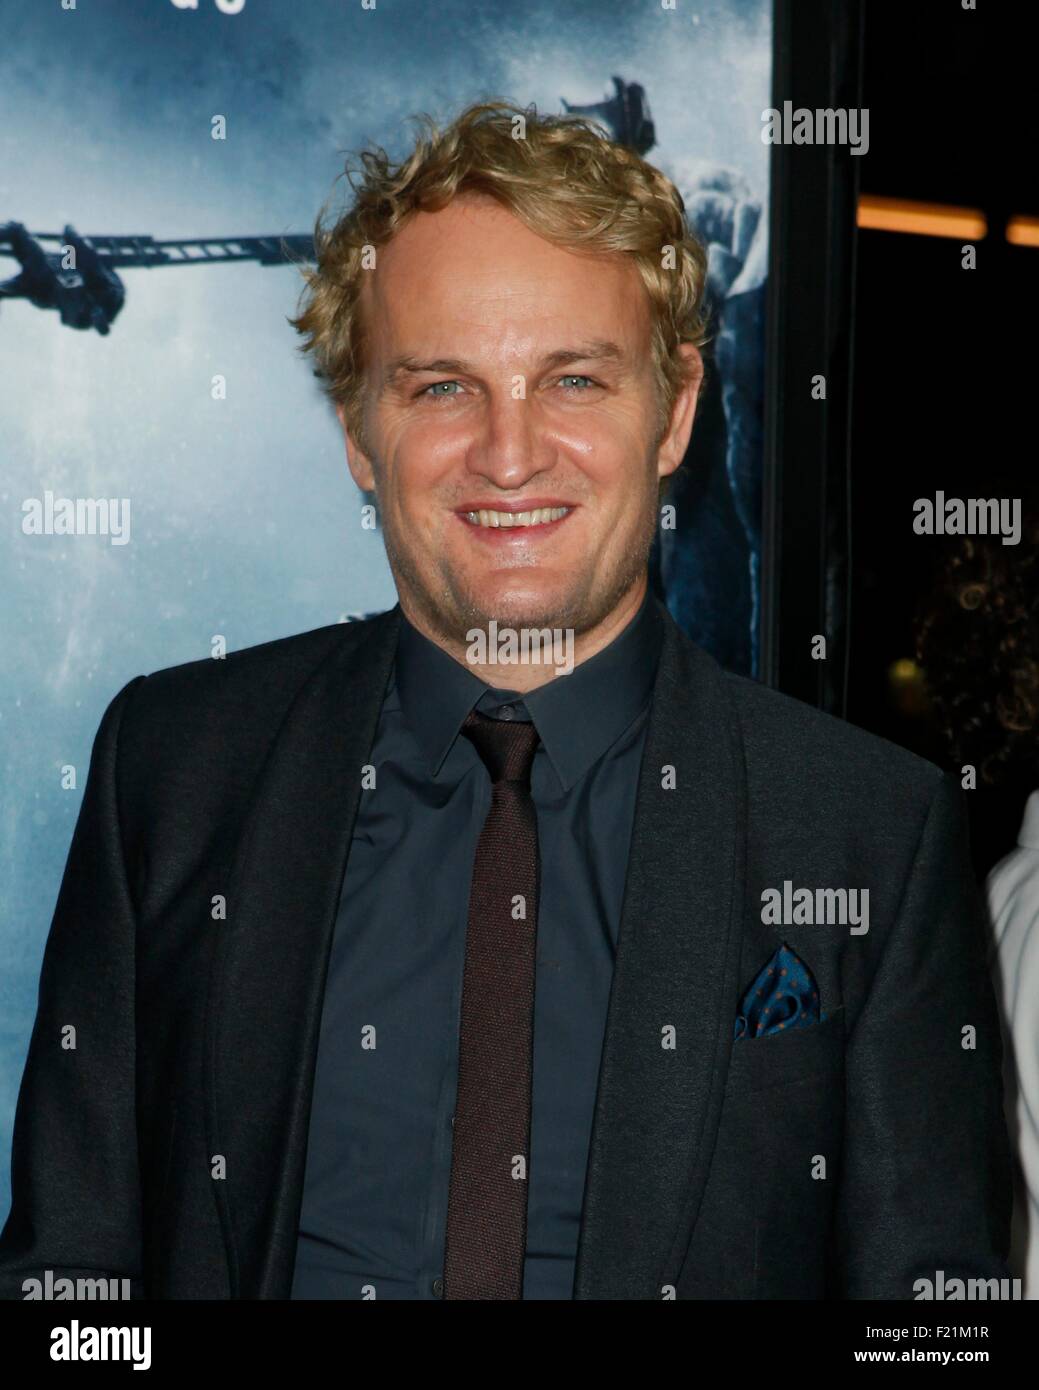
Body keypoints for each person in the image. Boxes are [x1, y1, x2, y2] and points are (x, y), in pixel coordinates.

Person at [0, 100, 1011, 1300]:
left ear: (676, 409)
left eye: (574, 380)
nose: (510, 452)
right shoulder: (170, 766)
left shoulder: (866, 832)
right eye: (439, 388)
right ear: (359, 429)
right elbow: (69, 1293)